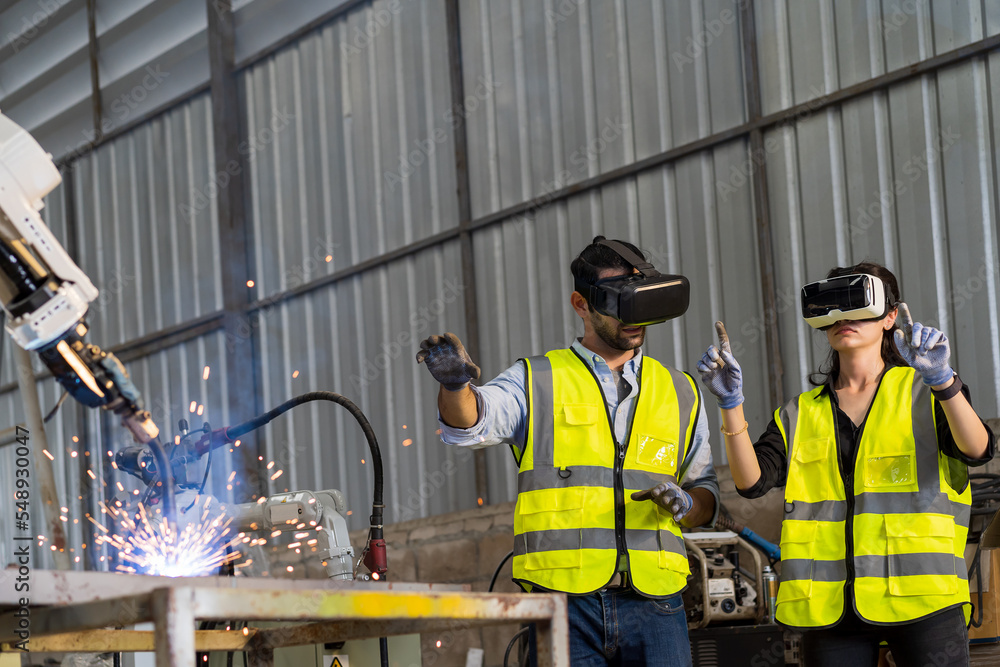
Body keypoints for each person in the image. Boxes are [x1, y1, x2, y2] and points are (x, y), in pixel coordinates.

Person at [416, 236, 719, 665]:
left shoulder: (681, 390)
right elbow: (471, 422)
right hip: (562, 606)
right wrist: (455, 386)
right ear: (581, 304)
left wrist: (687, 504)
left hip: (656, 605)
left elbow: (705, 494)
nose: (634, 317)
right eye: (619, 300)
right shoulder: (537, 379)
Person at [697, 261, 995, 667]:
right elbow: (752, 483)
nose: (844, 319)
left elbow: (978, 449)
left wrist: (944, 381)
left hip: (924, 602)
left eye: (858, 305)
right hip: (831, 608)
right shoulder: (800, 413)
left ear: (891, 316)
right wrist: (731, 405)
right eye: (834, 309)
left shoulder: (925, 392)